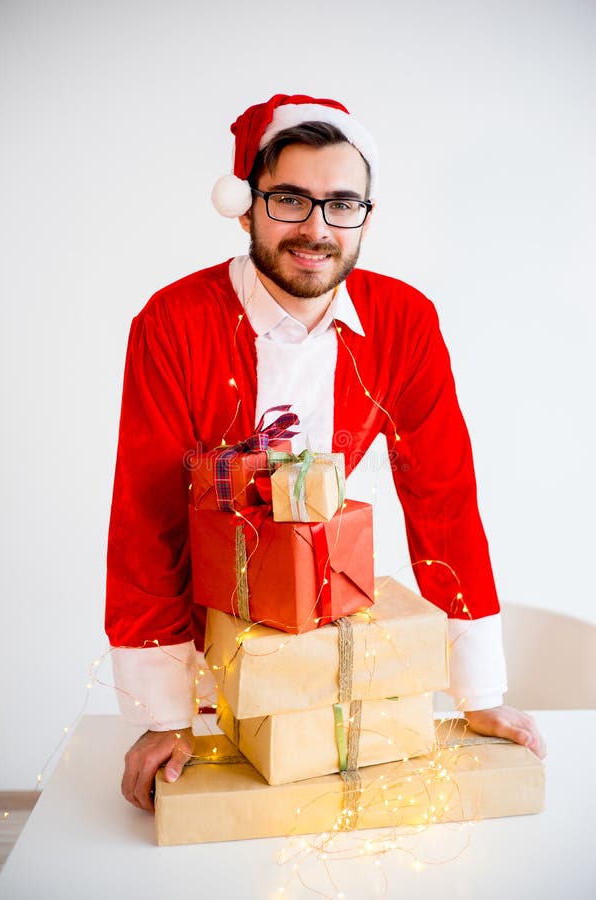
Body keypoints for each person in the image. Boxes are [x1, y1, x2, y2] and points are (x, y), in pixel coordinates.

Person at [106, 93, 546, 813]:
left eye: (342, 204)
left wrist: (478, 692)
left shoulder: (404, 321)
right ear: (245, 207)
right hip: (207, 659)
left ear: (365, 216)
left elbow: (443, 497)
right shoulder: (174, 321)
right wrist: (165, 713)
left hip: (336, 658)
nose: (316, 229)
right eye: (289, 200)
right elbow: (148, 516)